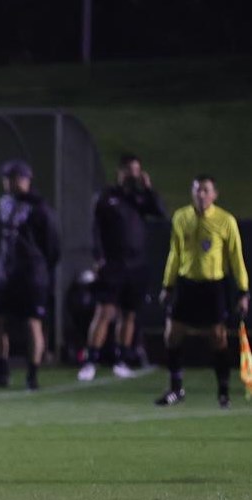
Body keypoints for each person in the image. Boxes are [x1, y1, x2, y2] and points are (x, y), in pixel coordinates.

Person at [155, 174, 249, 409]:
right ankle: (176, 389)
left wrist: (243, 291)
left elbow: (236, 258)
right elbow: (174, 254)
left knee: (218, 338)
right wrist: (167, 285)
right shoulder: (181, 217)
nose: (201, 195)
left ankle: (223, 392)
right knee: (172, 335)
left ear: (214, 195)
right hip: (187, 284)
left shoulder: (225, 220)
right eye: (197, 190)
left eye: (206, 190)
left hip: (213, 286)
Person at [78, 154, 166, 381]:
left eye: (136, 170)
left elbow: (159, 212)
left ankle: (121, 359)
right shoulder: (107, 197)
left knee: (129, 314)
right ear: (120, 172)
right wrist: (99, 258)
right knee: (105, 312)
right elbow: (96, 229)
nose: (133, 174)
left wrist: (148, 189)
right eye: (129, 170)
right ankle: (90, 361)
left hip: (136, 265)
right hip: (113, 265)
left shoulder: (139, 198)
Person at [0, 160, 60, 390]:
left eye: (11, 177)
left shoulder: (40, 208)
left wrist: (41, 268)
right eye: (6, 178)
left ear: (25, 179)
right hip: (9, 273)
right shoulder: (4, 203)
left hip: (32, 274)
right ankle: (1, 371)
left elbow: (52, 245)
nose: (7, 182)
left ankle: (32, 376)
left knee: (32, 322)